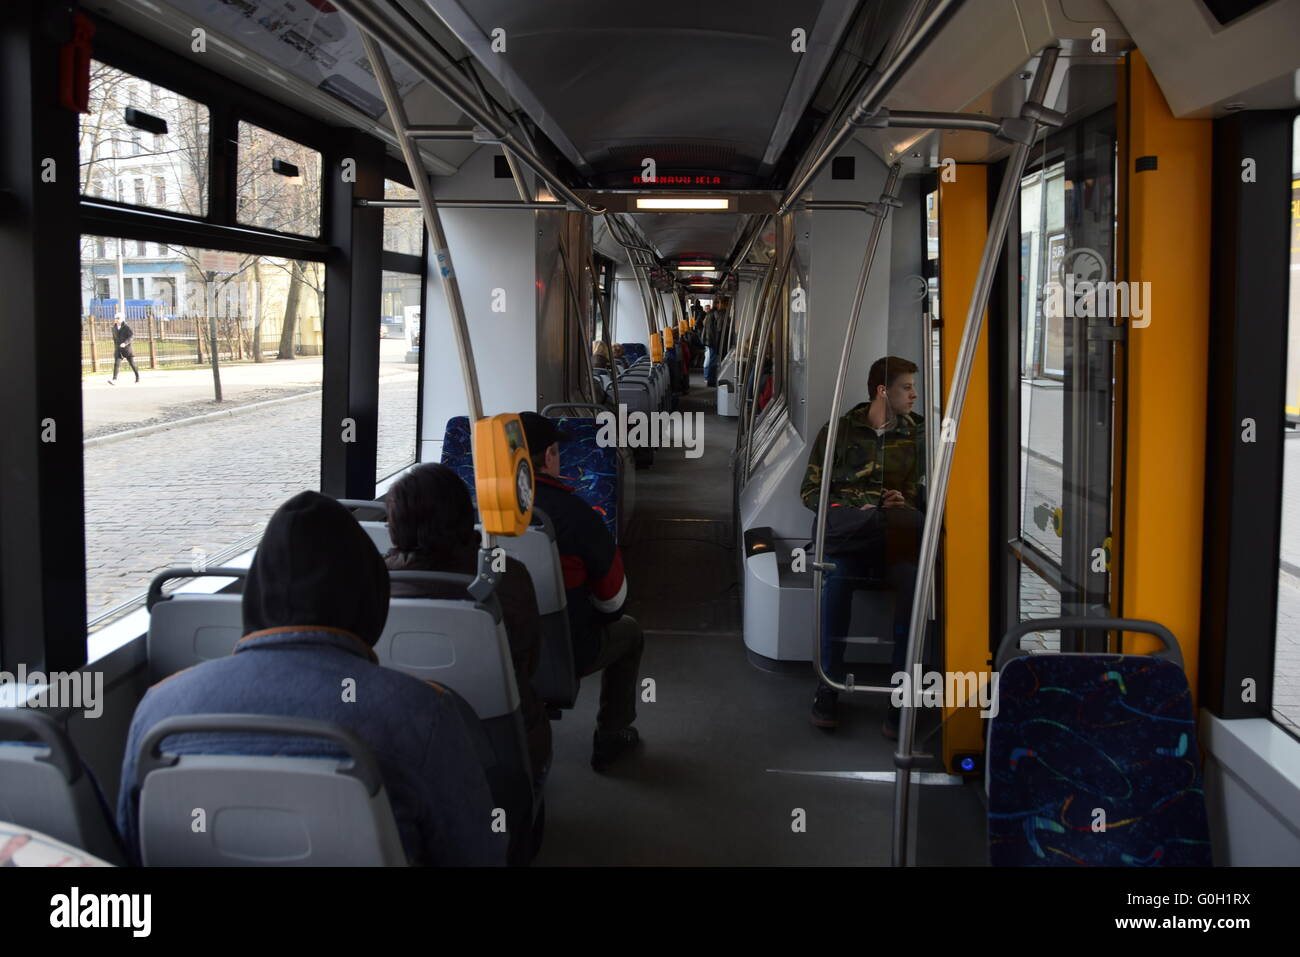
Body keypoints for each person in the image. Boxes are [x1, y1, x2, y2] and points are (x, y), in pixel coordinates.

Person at [116, 491, 506, 866]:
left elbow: (130, 850)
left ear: (254, 594)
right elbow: (476, 854)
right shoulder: (424, 712)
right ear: (370, 597)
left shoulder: (159, 709)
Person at [383, 462, 553, 784]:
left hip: (398, 747)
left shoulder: (372, 585)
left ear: (394, 526)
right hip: (500, 746)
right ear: (465, 516)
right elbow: (528, 663)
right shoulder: (506, 578)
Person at [800, 357, 925, 738]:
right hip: (854, 533)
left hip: (896, 535)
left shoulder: (920, 436)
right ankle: (830, 684)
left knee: (913, 591)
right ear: (882, 390)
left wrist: (904, 504)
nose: (914, 394)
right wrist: (859, 507)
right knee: (835, 585)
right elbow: (810, 492)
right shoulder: (838, 432)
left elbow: (930, 499)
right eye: (906, 387)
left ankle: (900, 693)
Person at [519, 411, 644, 771]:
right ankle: (610, 736)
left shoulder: (483, 509)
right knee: (630, 633)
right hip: (564, 652)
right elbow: (614, 597)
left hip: (499, 646)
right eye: (556, 450)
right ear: (548, 457)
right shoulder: (577, 515)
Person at [109, 314, 139, 384]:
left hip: (127, 349)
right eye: (115, 318)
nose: (116, 319)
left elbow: (131, 336)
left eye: (118, 318)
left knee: (132, 364)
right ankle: (114, 379)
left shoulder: (127, 327)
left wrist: (125, 343)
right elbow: (114, 339)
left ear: (122, 319)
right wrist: (116, 347)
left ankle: (137, 377)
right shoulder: (114, 328)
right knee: (116, 364)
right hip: (118, 349)